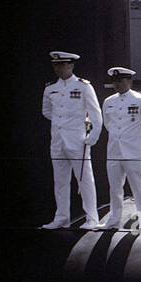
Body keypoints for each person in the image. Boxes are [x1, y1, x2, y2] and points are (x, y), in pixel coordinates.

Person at [41, 50, 102, 229]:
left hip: (77, 141)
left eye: (62, 64)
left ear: (71, 65)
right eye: (55, 65)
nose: (58, 68)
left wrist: (92, 136)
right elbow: (46, 111)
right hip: (58, 141)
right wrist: (63, 123)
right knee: (60, 181)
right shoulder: (50, 88)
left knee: (84, 179)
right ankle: (62, 217)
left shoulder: (83, 86)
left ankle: (92, 217)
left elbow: (96, 114)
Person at [100, 66, 141, 230]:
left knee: (139, 187)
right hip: (114, 150)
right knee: (115, 188)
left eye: (120, 81)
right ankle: (113, 219)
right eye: (115, 81)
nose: (117, 84)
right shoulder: (109, 101)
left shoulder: (140, 100)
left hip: (134, 151)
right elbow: (108, 124)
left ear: (129, 81)